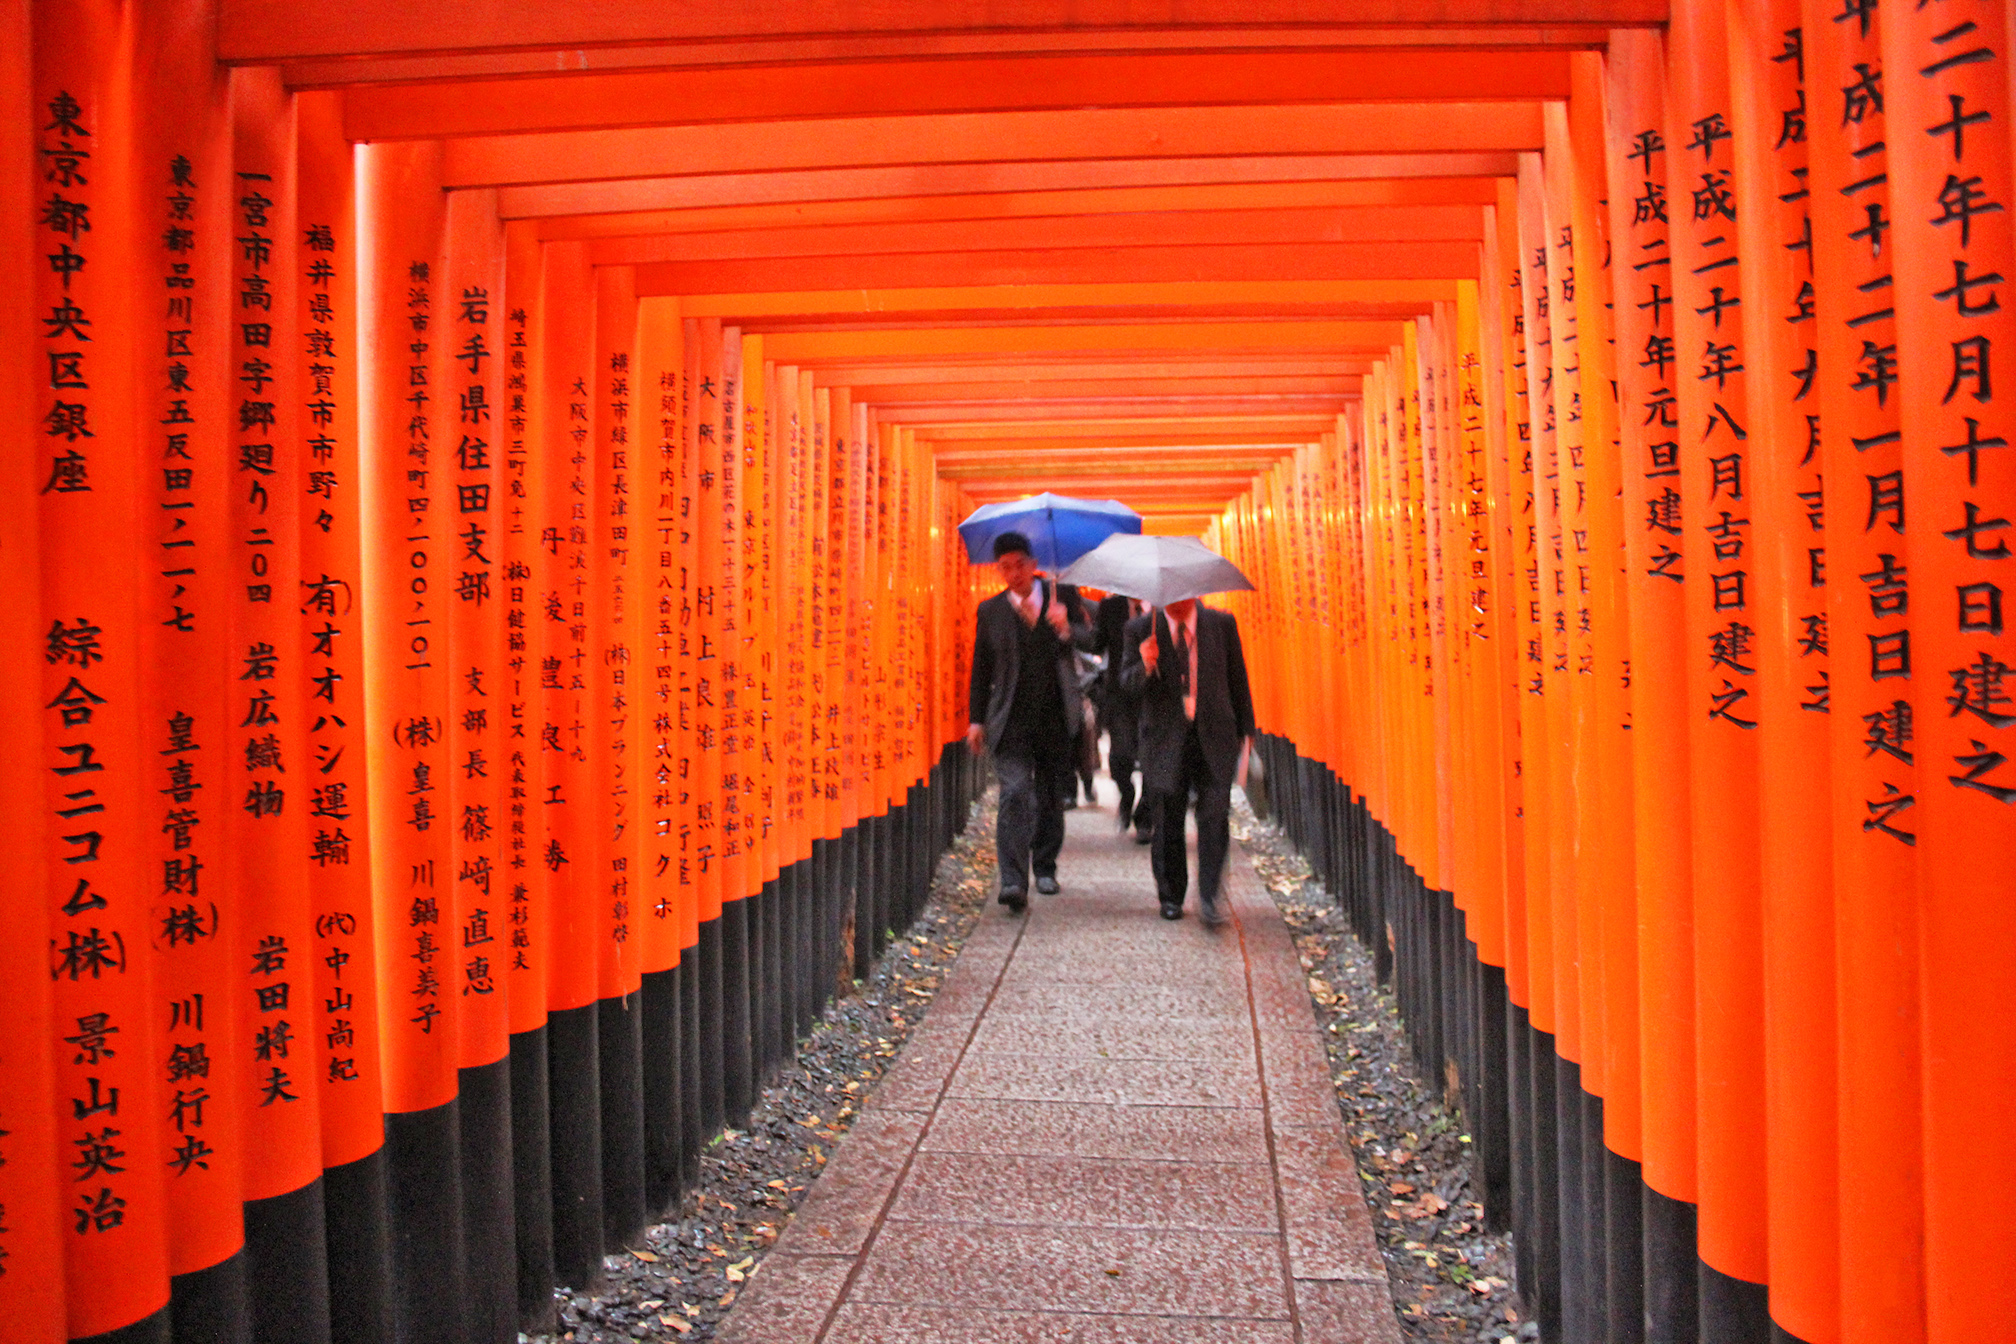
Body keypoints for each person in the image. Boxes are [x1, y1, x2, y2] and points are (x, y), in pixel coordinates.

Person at [966, 532, 1094, 910]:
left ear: (1033, 564)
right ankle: (1012, 880)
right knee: (1015, 793)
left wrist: (1064, 627)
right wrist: (976, 720)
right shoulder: (990, 611)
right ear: (998, 570)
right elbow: (980, 669)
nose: (1013, 573)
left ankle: (1045, 867)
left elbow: (1093, 639)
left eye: (1020, 565)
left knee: (1051, 796)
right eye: (1005, 567)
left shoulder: (1062, 596)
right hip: (1010, 720)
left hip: (1055, 715)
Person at [1120, 595, 1255, 926]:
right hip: (1164, 739)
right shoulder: (1140, 629)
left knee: (1214, 814)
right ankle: (1170, 895)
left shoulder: (1221, 625)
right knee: (1167, 817)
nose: (1176, 601)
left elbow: (1238, 678)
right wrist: (1145, 665)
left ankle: (1209, 895)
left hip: (1214, 735)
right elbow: (1125, 685)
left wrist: (1247, 731)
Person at [1092, 592, 1152, 843]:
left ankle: (1145, 818)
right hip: (1119, 693)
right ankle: (1126, 796)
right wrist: (1068, 629)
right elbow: (1096, 643)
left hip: (1153, 694)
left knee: (1154, 758)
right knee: (1120, 757)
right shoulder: (1111, 606)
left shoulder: (1161, 606)